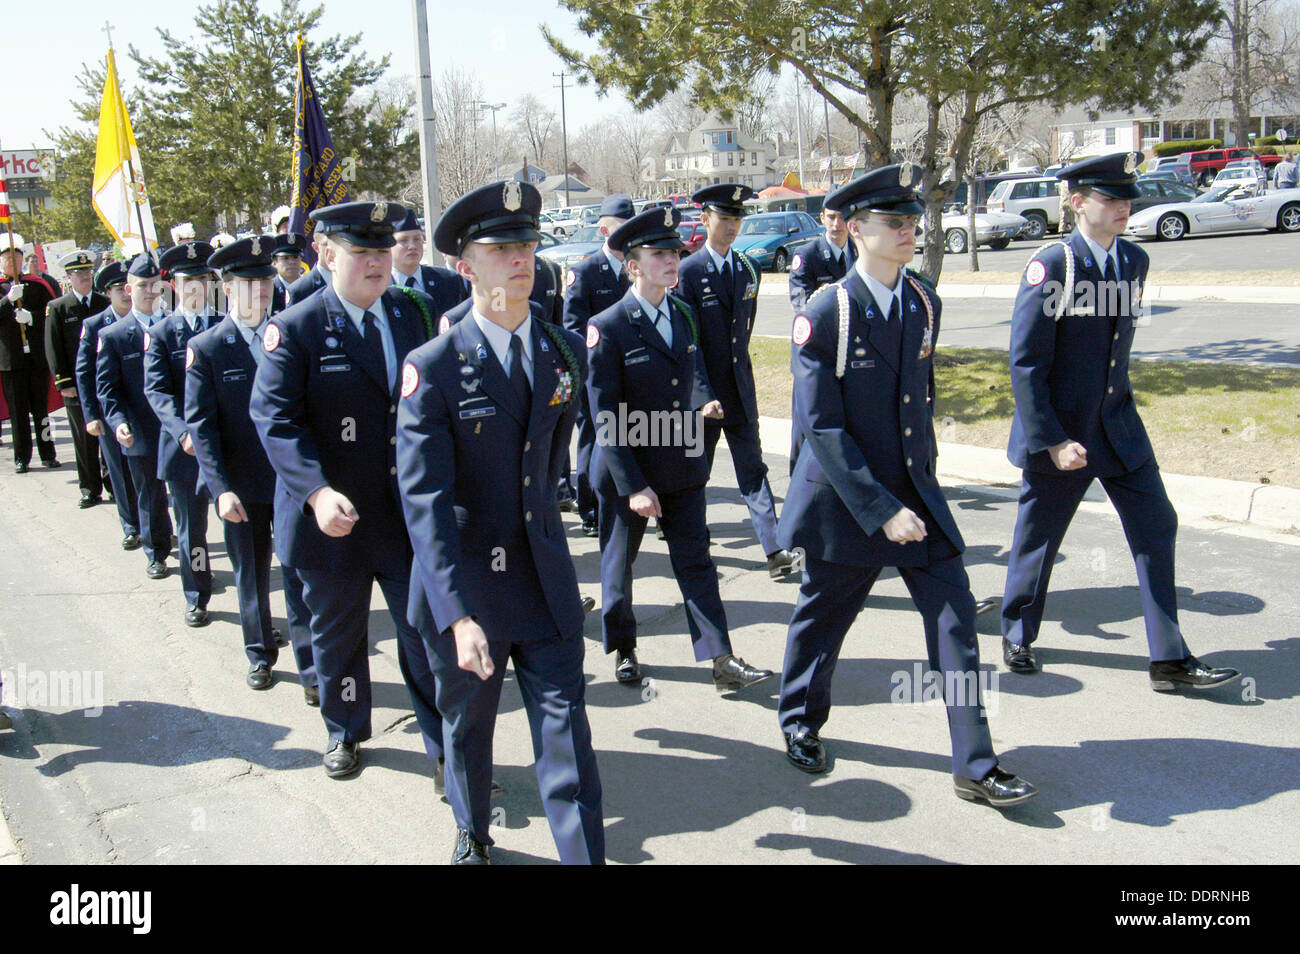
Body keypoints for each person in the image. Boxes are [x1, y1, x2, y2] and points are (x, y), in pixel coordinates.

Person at [777, 164, 1037, 807]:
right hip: (849, 500)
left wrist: (915, 489)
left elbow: (917, 400)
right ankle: (800, 721)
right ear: (856, 229)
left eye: (913, 222)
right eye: (895, 223)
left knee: (954, 622)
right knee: (825, 617)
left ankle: (974, 763)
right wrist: (880, 507)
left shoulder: (922, 301)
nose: (909, 232)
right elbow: (824, 427)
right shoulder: (826, 310)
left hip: (916, 496)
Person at [398, 179, 604, 865]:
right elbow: (424, 502)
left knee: (567, 735)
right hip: (468, 589)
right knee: (470, 727)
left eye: (527, 244)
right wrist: (455, 616)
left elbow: (550, 467)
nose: (521, 258)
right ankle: (474, 830)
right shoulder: (432, 368)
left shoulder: (561, 351)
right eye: (501, 248)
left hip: (543, 582)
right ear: (465, 265)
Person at [1000, 152, 1242, 693]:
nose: (1123, 208)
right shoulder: (1054, 264)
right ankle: (1017, 631)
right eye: (1110, 199)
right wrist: (1053, 439)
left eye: (1126, 198)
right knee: (1039, 537)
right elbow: (1027, 362)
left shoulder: (1134, 260)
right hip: (1063, 433)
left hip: (1118, 425)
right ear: (1078, 202)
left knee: (1158, 524)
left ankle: (1168, 659)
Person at [250, 200, 445, 780]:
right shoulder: (295, 328)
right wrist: (315, 491)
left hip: (404, 516)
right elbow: (276, 420)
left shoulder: (412, 314)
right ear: (326, 254)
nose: (377, 262)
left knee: (426, 636)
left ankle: (446, 749)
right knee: (338, 637)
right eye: (362, 251)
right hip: (331, 518)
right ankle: (345, 731)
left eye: (382, 251)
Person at [587, 205, 776, 692]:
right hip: (628, 467)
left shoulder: (683, 314)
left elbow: (686, 374)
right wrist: (633, 488)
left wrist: (702, 403)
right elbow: (604, 416)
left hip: (680, 458)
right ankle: (625, 647)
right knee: (619, 563)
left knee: (697, 561)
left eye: (675, 253)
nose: (672, 261)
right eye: (659, 254)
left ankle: (721, 659)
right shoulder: (607, 327)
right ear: (633, 265)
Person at [187, 236, 317, 698]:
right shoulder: (207, 348)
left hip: (293, 482)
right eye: (248, 282)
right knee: (252, 573)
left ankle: (312, 667)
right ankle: (260, 651)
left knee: (300, 573)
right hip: (242, 487)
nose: (260, 290)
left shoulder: (292, 333)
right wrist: (219, 488)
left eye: (264, 280)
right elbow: (201, 428)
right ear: (226, 287)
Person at [675, 184, 795, 578]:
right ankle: (692, 544)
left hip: (740, 391)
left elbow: (742, 334)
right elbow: (687, 344)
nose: (731, 227)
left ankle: (775, 550)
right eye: (724, 218)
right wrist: (702, 396)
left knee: (753, 470)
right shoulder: (688, 272)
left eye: (737, 219)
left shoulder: (748, 268)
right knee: (695, 473)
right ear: (705, 220)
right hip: (704, 396)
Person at [145, 242, 218, 627]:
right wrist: (183, 433)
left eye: (202, 279)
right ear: (173, 285)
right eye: (188, 281)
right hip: (185, 450)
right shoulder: (161, 334)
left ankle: (258, 607)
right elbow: (157, 392)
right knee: (193, 530)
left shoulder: (225, 324)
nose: (196, 287)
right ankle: (197, 593)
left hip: (227, 447)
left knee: (247, 533)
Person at [96, 252, 175, 579]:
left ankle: (193, 560)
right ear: (128, 289)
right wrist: (118, 422)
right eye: (142, 285)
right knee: (150, 495)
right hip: (140, 428)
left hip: (174, 427)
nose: (149, 292)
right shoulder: (113, 336)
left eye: (155, 285)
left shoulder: (176, 327)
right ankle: (155, 552)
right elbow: (107, 389)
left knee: (186, 501)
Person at [561, 193, 633, 537]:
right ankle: (589, 507)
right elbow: (574, 329)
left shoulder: (636, 270)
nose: (626, 236)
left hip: (632, 372)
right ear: (604, 229)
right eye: (620, 228)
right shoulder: (585, 272)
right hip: (595, 374)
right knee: (593, 439)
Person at [76, 261, 142, 548]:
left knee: (149, 473)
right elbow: (84, 372)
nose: (125, 295)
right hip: (111, 410)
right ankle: (131, 526)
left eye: (126, 288)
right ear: (109, 293)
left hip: (142, 409)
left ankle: (154, 524)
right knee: (120, 471)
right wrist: (91, 415)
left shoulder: (147, 320)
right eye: (118, 290)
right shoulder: (94, 326)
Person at [44, 249, 108, 506]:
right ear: (69, 277)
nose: (85, 277)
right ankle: (90, 489)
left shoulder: (103, 303)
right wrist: (63, 382)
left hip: (104, 380)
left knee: (108, 436)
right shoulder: (58, 308)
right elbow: (53, 347)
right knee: (84, 440)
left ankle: (112, 483)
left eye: (88, 272)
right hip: (76, 385)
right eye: (79, 273)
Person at [1, 236, 60, 472]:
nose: (11, 262)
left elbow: (50, 313)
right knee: (18, 414)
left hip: (35, 357)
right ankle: (21, 457)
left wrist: (32, 317)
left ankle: (48, 453)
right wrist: (8, 301)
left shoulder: (36, 285)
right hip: (10, 361)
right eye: (6, 258)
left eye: (15, 257)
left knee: (40, 410)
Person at [389, 207, 470, 320]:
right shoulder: (382, 287)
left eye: (417, 239)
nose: (412, 246)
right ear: (389, 246)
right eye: (403, 240)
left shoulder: (449, 281)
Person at [788, 203, 857, 310]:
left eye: (842, 217)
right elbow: (799, 303)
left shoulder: (862, 252)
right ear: (822, 218)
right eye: (831, 217)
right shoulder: (807, 254)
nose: (837, 224)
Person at [286, 233, 331, 304]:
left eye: (337, 245)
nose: (333, 249)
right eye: (327, 244)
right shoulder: (299, 289)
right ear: (316, 247)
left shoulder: (350, 282)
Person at [269, 233, 305, 314]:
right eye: (285, 258)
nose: (291, 262)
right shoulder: (270, 290)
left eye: (295, 257)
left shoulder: (309, 287)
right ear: (274, 263)